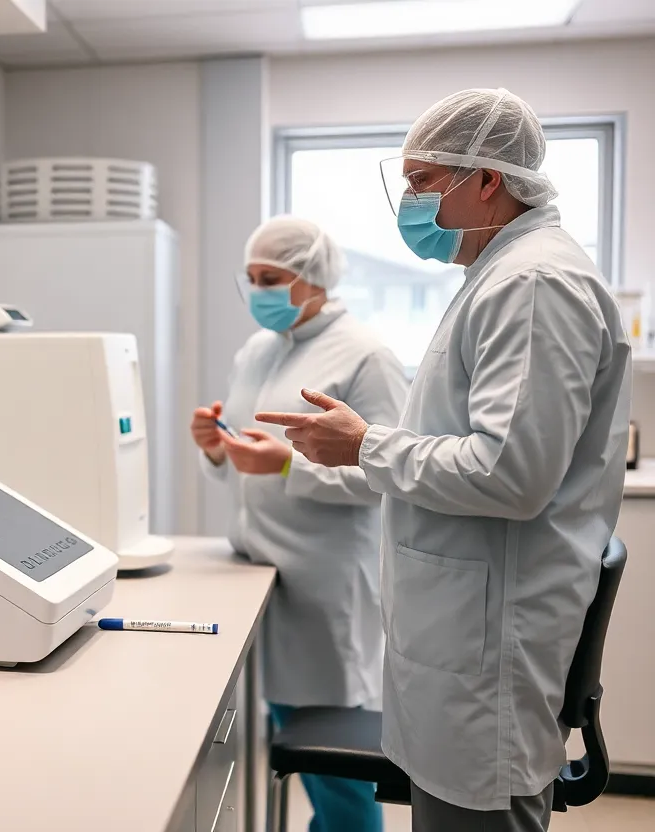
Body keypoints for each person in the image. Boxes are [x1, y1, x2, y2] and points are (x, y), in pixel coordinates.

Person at [257, 89, 632, 831]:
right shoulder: (498, 277)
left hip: (486, 653)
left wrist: (365, 442)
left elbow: (511, 474)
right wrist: (347, 451)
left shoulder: (533, 284)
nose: (409, 201)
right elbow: (459, 447)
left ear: (486, 178)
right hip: (463, 642)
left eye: (423, 181)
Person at [191, 216, 407, 832]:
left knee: (336, 774)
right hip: (259, 575)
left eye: (272, 278)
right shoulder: (258, 350)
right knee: (291, 733)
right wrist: (215, 447)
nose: (258, 291)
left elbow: (383, 477)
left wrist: (287, 464)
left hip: (326, 586)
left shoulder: (367, 357)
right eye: (251, 278)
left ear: (313, 279)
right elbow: (248, 450)